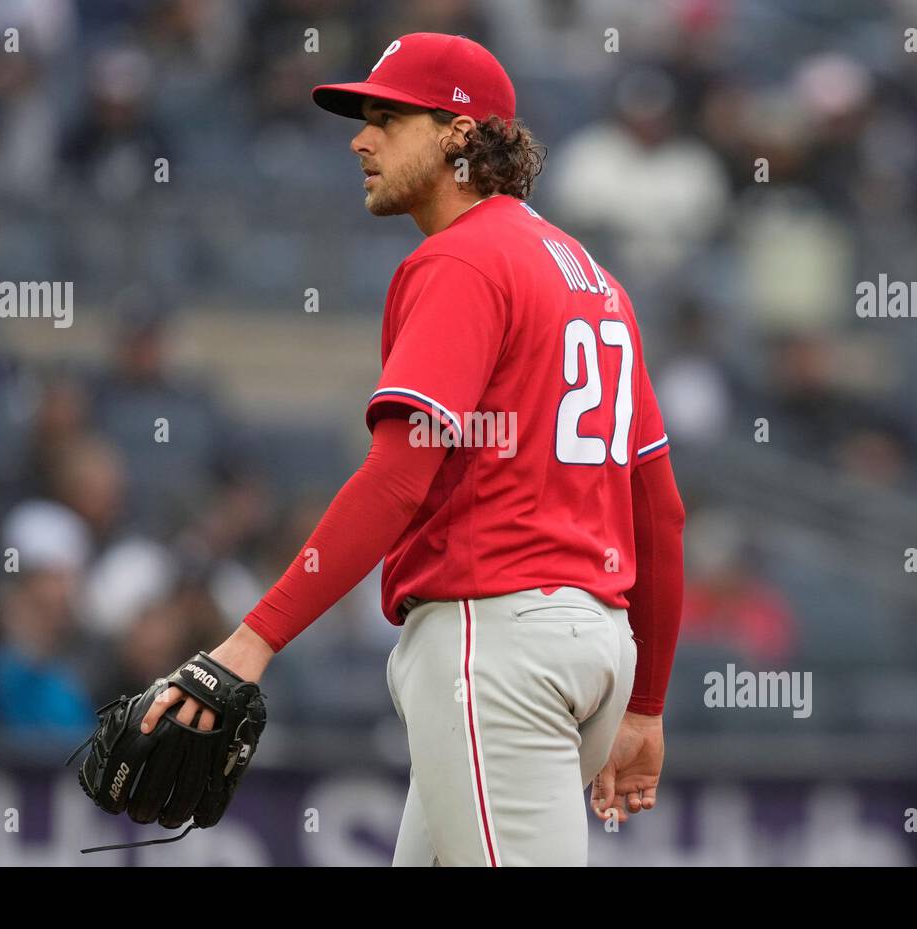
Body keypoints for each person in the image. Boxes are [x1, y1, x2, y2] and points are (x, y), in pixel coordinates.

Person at [139, 32, 686, 866]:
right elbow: (661, 513)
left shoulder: (462, 261)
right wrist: (643, 706)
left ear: (459, 134)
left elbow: (397, 480)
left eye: (388, 118)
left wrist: (250, 641)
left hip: (495, 643)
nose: (361, 138)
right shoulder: (592, 278)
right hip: (592, 648)